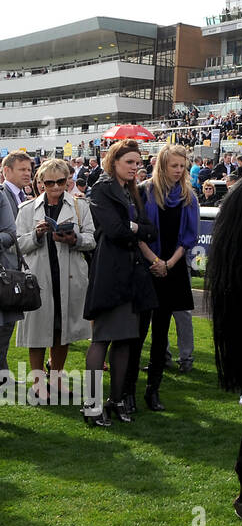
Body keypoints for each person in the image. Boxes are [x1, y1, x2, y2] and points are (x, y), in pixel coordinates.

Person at [83, 139, 158, 426]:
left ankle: (116, 400)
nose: (135, 167)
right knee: (102, 338)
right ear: (114, 162)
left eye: (138, 163)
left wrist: (133, 228)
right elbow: (113, 230)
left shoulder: (132, 192)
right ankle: (92, 406)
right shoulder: (102, 188)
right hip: (109, 272)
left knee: (125, 340)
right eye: (130, 162)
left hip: (132, 275)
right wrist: (134, 229)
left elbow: (148, 230)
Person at [15, 162, 95, 403]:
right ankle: (39, 383)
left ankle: (56, 378)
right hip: (39, 278)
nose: (56, 187)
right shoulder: (27, 209)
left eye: (61, 182)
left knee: (64, 330)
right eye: (49, 183)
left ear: (68, 180)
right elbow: (19, 244)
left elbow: (91, 239)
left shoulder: (81, 206)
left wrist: (74, 238)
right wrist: (37, 235)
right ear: (41, 183)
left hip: (69, 276)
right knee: (38, 332)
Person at [136, 143, 200, 412]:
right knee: (138, 331)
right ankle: (127, 388)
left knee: (161, 331)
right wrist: (155, 261)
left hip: (172, 270)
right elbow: (137, 232)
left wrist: (169, 264)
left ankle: (153, 390)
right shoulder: (143, 192)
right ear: (162, 165)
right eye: (174, 165)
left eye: (182, 166)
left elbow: (188, 237)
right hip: (146, 268)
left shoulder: (189, 196)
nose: (178, 170)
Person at [0, 151, 35, 384]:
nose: (28, 174)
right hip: (8, 271)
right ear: (6, 171)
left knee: (6, 327)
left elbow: (12, 233)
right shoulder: (6, 194)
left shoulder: (24, 196)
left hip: (9, 273)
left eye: (29, 170)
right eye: (22, 169)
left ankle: (3, 374)